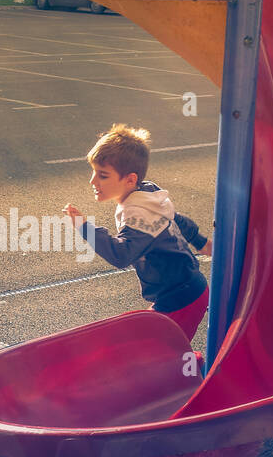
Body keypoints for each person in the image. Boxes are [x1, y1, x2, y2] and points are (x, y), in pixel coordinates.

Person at [63, 124, 213, 342]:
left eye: (102, 175)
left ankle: (192, 369)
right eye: (94, 171)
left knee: (156, 353)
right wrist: (201, 242)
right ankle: (186, 367)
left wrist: (84, 227)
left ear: (130, 180)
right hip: (185, 291)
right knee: (157, 349)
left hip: (180, 298)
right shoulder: (148, 193)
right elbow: (175, 217)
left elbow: (122, 255)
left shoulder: (139, 213)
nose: (92, 181)